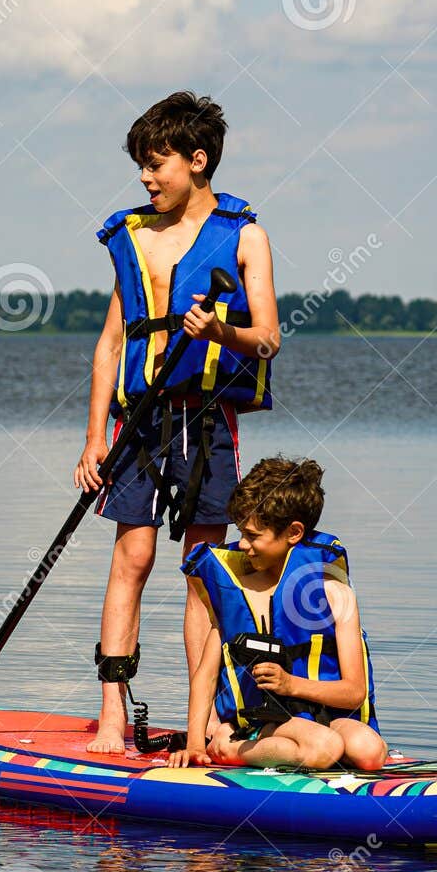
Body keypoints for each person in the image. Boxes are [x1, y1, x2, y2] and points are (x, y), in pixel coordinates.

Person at [73, 91, 281, 754]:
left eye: (155, 163)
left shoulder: (245, 236)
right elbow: (111, 343)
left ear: (197, 160)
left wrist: (221, 330)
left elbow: (269, 338)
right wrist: (93, 440)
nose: (144, 177)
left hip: (207, 419)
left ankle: (204, 722)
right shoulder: (135, 238)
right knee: (131, 556)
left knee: (201, 569)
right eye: (140, 164)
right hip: (138, 420)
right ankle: (112, 713)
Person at [169, 457, 387, 770]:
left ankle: (300, 751)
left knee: (369, 751)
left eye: (253, 535)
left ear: (294, 532)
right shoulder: (237, 591)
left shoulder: (337, 594)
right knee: (325, 746)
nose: (242, 544)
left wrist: (290, 685)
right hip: (263, 720)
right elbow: (206, 676)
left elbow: (354, 692)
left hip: (327, 716)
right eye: (241, 532)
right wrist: (194, 744)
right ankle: (230, 748)